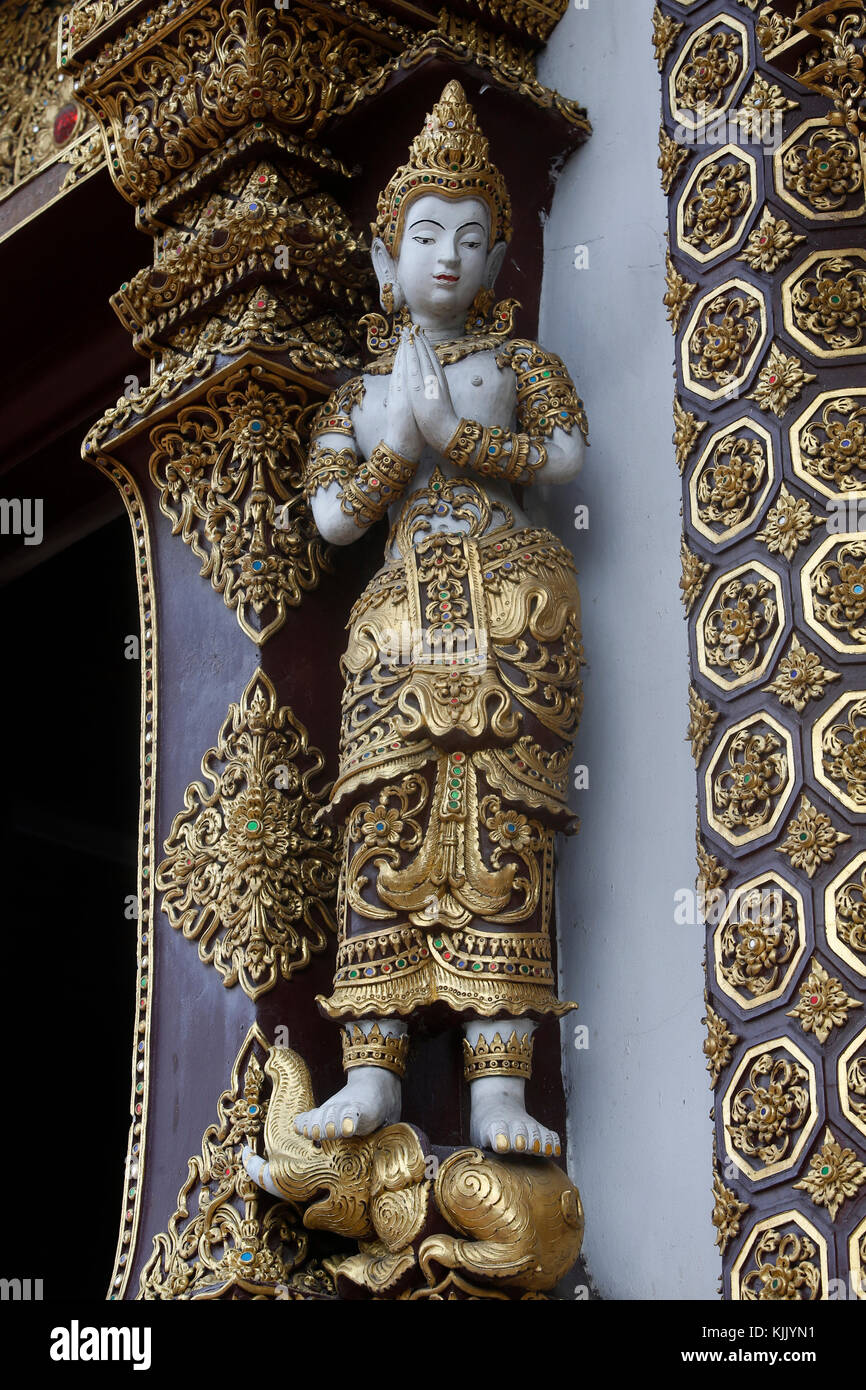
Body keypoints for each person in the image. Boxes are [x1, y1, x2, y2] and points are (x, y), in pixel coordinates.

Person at [297, 81, 588, 1158]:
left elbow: (563, 457)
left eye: (473, 239)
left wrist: (457, 439)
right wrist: (398, 450)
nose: (448, 258)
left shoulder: (519, 367)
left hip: (509, 605)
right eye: (425, 235)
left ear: (499, 258)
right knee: (383, 814)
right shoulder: (356, 394)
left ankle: (496, 1089)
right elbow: (329, 519)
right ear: (384, 260)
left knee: (501, 820)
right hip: (398, 621)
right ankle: (370, 1069)